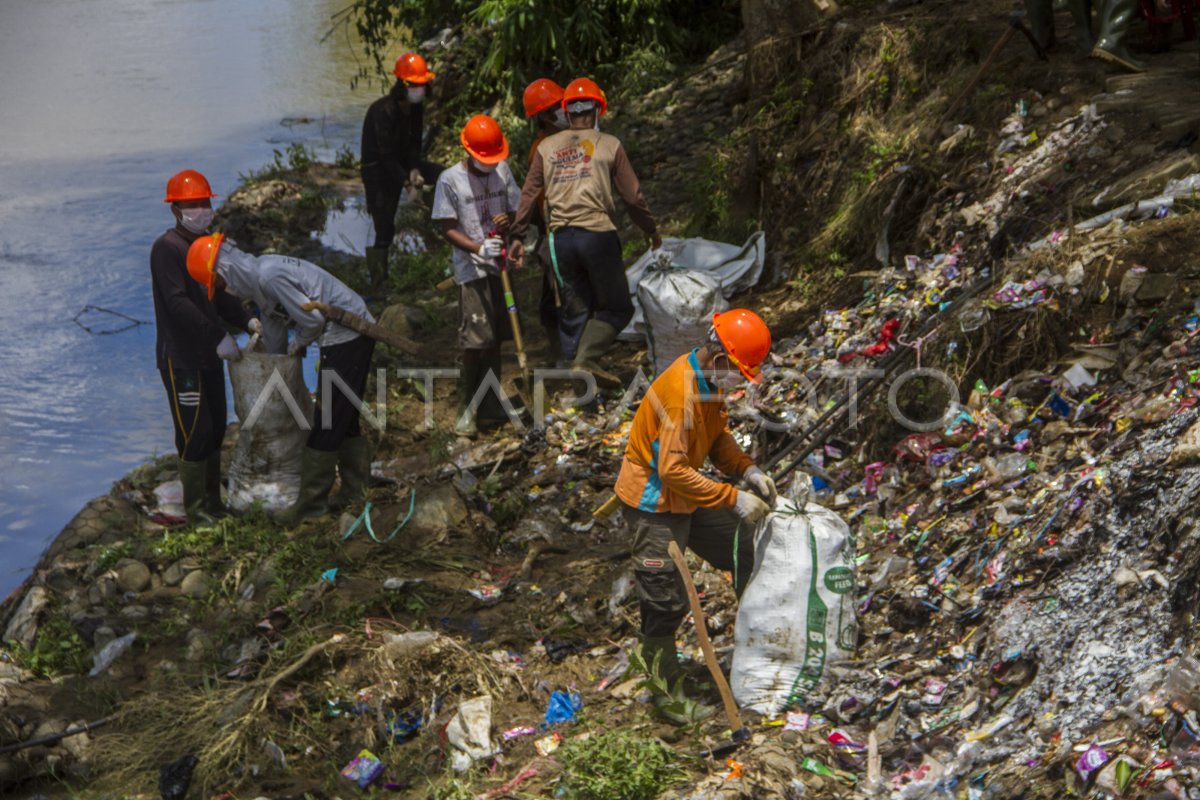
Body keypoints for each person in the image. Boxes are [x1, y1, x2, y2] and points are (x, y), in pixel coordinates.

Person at [613, 309, 775, 718]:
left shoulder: (708, 380)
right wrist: (733, 498)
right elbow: (670, 470)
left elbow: (716, 436)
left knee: (742, 551)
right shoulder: (681, 393)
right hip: (655, 502)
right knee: (664, 600)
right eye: (739, 371)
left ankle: (761, 649)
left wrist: (746, 468)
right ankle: (666, 695)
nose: (740, 381)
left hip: (686, 492)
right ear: (720, 358)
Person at [184, 234, 376, 523]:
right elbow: (274, 326)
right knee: (343, 415)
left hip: (349, 331)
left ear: (225, 271)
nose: (227, 292)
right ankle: (355, 490)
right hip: (338, 335)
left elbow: (313, 320)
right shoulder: (261, 285)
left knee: (327, 420)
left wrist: (298, 344)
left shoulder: (268, 276)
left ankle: (311, 506)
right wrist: (272, 363)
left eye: (221, 285)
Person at [509, 77, 662, 388]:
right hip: (598, 236)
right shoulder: (609, 144)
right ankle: (585, 360)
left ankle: (578, 386)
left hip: (560, 241)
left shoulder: (547, 147)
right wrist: (651, 230)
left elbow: (528, 194)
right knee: (617, 307)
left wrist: (516, 236)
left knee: (574, 308)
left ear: (567, 110)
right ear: (598, 110)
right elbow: (633, 198)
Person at [150, 169, 261, 524]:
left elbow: (219, 294)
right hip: (182, 359)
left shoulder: (205, 246)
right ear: (175, 210)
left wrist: (246, 321)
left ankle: (213, 504)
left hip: (211, 356)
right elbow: (177, 303)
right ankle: (196, 511)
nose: (200, 210)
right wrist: (218, 336)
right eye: (191, 204)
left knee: (215, 429)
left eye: (203, 203)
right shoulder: (167, 248)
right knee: (194, 432)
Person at [430, 114, 522, 438]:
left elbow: (515, 209)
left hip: (500, 266)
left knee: (496, 336)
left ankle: (489, 404)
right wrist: (476, 248)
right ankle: (465, 410)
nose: (489, 164)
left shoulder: (502, 171)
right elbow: (447, 227)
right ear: (467, 151)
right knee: (474, 339)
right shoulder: (450, 180)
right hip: (472, 270)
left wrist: (509, 223)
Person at [361, 51, 442, 287]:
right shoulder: (383, 111)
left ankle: (438, 228)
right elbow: (385, 155)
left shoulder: (416, 109)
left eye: (422, 85)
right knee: (385, 227)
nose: (419, 90)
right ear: (402, 84)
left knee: (444, 175)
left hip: (403, 164)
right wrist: (408, 186)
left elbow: (415, 143)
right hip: (377, 171)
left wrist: (415, 170)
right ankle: (378, 282)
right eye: (414, 85)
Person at [521, 78, 569, 364]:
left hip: (570, 225)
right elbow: (537, 199)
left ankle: (569, 349)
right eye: (554, 108)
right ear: (542, 116)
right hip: (553, 230)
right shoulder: (539, 150)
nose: (561, 112)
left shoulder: (572, 138)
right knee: (555, 295)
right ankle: (561, 352)